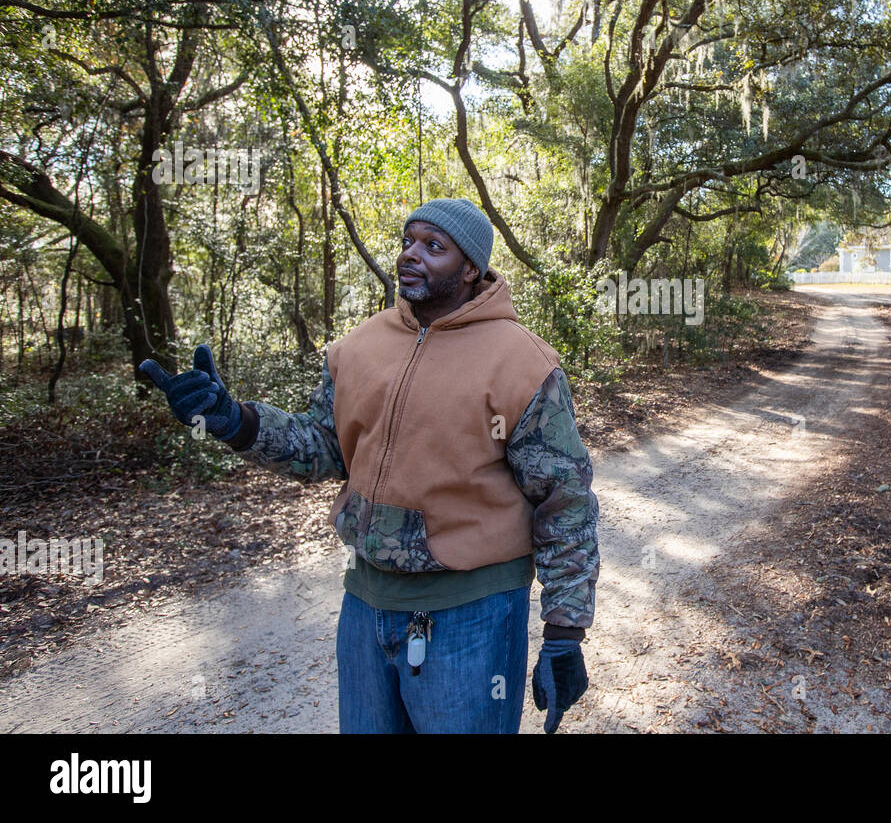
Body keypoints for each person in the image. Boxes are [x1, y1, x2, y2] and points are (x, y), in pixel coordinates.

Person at [139, 197, 599, 733]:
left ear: (470, 268)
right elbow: (323, 446)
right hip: (364, 606)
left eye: (433, 246)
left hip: (474, 614)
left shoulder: (522, 364)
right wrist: (233, 420)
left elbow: (564, 501)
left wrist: (564, 633)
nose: (411, 255)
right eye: (408, 241)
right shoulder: (362, 346)